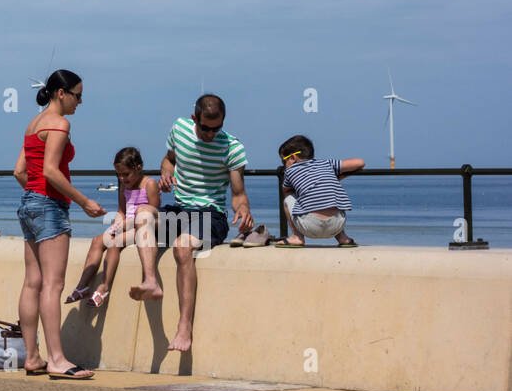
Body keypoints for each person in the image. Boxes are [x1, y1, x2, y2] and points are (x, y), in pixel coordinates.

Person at [12, 70, 105, 380]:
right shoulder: (60, 124)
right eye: (77, 95)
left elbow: (19, 172)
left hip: (29, 204)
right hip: (49, 207)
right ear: (61, 93)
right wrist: (84, 202)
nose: (80, 102)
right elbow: (52, 171)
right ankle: (57, 360)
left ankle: (33, 357)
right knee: (52, 284)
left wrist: (35, 194)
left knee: (32, 283)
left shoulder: (33, 124)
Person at [156, 94, 253, 351]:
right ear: (194, 118)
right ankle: (148, 282)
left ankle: (184, 328)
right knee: (138, 224)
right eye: (205, 128)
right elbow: (169, 159)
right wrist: (166, 172)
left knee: (182, 247)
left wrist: (243, 211)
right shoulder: (180, 129)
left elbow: (238, 193)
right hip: (179, 209)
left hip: (211, 215)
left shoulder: (232, 147)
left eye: (216, 128)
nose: (211, 134)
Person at [66, 147, 163, 307]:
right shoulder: (124, 185)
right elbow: (122, 211)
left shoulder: (149, 184)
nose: (122, 178)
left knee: (114, 243)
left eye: (126, 174)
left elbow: (154, 214)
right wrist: (116, 224)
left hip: (143, 228)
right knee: (97, 241)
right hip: (126, 225)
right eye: (119, 174)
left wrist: (126, 226)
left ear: (138, 168)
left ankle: (103, 287)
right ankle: (82, 286)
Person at [275, 136, 361, 247]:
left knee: (288, 198)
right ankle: (343, 238)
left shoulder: (290, 171)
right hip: (337, 225)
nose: (284, 165)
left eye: (283, 161)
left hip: (310, 227)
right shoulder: (327, 163)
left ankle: (297, 237)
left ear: (292, 157)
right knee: (332, 197)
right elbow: (360, 163)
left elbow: (286, 190)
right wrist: (336, 178)